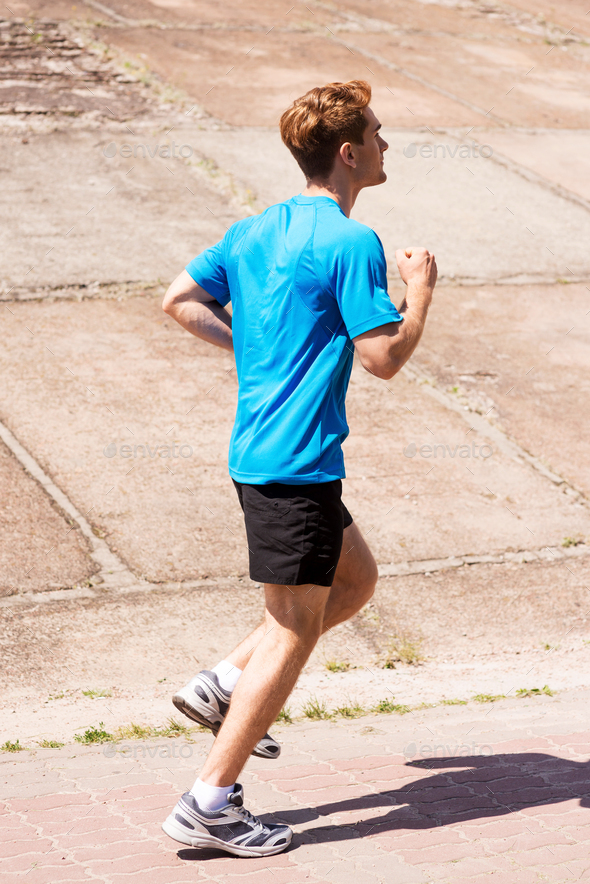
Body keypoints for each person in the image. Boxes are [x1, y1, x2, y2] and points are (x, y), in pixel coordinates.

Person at [160, 79, 437, 857]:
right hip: (296, 465)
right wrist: (419, 292)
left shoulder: (253, 230)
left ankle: (221, 684)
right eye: (377, 133)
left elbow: (179, 299)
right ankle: (209, 802)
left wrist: (250, 349)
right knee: (293, 630)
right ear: (348, 153)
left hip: (268, 456)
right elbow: (383, 357)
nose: (385, 143)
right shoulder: (352, 242)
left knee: (355, 581)